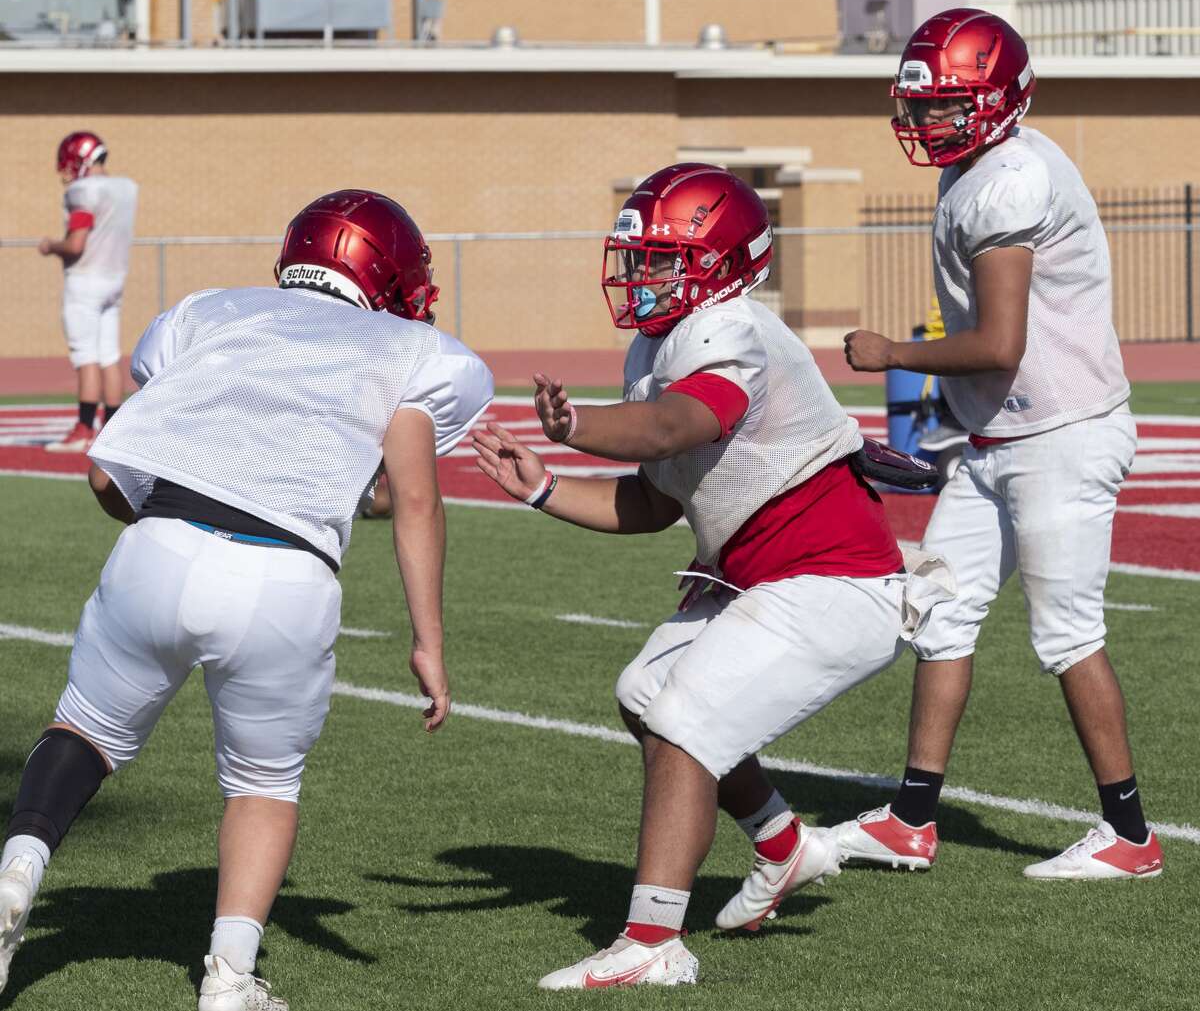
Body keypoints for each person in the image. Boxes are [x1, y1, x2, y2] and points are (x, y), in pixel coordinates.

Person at [0, 189, 494, 1009]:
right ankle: (229, 976)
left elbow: (106, 472)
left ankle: (19, 865)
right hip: (284, 575)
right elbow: (414, 498)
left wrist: (162, 527)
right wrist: (428, 639)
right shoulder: (411, 347)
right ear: (387, 272)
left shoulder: (209, 312)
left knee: (85, 727)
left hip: (160, 544)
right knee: (263, 782)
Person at [474, 163, 945, 989]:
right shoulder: (658, 343)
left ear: (720, 262)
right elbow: (656, 501)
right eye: (641, 258)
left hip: (835, 578)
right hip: (763, 574)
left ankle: (653, 941)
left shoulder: (732, 326)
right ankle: (782, 842)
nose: (643, 276)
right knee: (644, 694)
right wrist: (542, 486)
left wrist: (575, 424)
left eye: (661, 259)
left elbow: (673, 426)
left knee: (687, 719)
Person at [838, 8, 1162, 880]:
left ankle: (1130, 835)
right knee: (937, 611)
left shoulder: (1008, 182)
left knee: (1066, 635)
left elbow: (998, 343)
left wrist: (892, 353)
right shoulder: (978, 165)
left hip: (1060, 433)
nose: (928, 120)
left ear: (994, 99)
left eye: (946, 103)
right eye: (926, 104)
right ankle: (911, 818)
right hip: (1001, 436)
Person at [39, 131, 139, 453]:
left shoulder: (83, 191)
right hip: (115, 280)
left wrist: (50, 246)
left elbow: (76, 244)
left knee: (86, 358)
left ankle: (84, 428)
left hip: (86, 282)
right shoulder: (125, 188)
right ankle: (111, 430)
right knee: (110, 356)